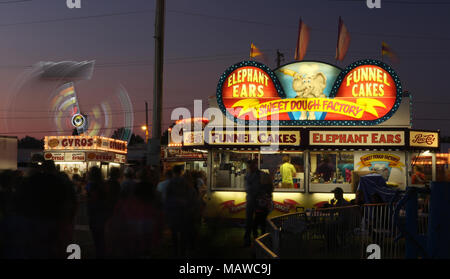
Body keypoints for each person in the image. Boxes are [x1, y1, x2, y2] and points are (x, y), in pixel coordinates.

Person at [164, 165, 199, 257]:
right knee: (183, 233)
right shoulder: (185, 183)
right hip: (183, 211)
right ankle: (182, 252)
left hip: (173, 210)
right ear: (180, 172)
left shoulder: (170, 183)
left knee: (174, 233)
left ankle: (175, 252)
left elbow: (167, 197)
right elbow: (190, 197)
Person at [86, 166, 109, 258]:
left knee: (96, 235)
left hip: (95, 212)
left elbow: (91, 197)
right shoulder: (103, 184)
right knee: (101, 235)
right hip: (102, 212)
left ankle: (99, 253)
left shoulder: (91, 185)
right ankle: (101, 252)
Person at [244, 159, 261, 246]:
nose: (250, 167)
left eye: (251, 165)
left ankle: (255, 239)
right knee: (250, 221)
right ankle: (249, 240)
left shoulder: (257, 174)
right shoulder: (249, 174)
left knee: (255, 221)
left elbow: (251, 187)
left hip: (255, 200)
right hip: (251, 200)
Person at [253, 172, 273, 237]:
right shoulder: (270, 186)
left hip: (260, 207)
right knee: (262, 222)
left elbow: (258, 196)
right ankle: (263, 236)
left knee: (256, 222)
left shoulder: (262, 186)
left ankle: (257, 237)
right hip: (265, 207)